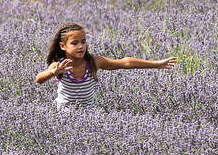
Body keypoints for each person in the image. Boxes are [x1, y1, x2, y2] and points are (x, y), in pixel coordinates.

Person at [35, 23, 177, 108]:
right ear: (63, 46)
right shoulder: (59, 65)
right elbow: (39, 79)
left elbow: (125, 62)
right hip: (63, 116)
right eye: (75, 43)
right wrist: (53, 72)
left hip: (89, 115)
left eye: (83, 42)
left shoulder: (94, 62)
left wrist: (157, 64)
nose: (80, 46)